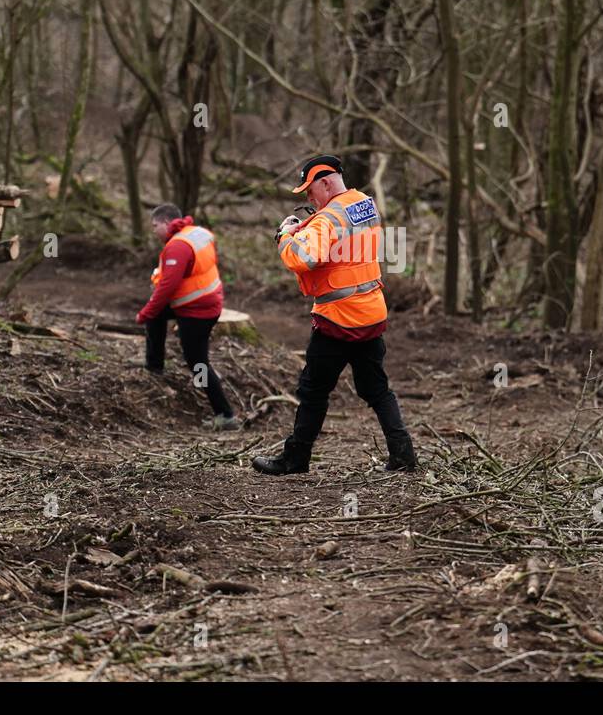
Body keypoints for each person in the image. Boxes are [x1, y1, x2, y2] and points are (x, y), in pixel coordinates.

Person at [251, 155, 416, 475]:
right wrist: (310, 225)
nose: (308, 198)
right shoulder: (364, 204)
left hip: (338, 319)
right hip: (370, 313)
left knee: (313, 392)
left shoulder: (327, 219)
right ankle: (403, 454)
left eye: (310, 191)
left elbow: (304, 258)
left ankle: (295, 459)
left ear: (326, 182)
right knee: (377, 390)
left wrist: (286, 235)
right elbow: (345, 241)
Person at [136, 203, 240, 430]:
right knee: (157, 316)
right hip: (205, 300)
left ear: (166, 222)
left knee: (197, 362)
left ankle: (225, 415)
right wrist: (152, 312)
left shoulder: (177, 247)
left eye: (155, 226)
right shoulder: (197, 233)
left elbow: (167, 286)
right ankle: (154, 365)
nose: (153, 231)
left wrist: (145, 312)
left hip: (196, 311)